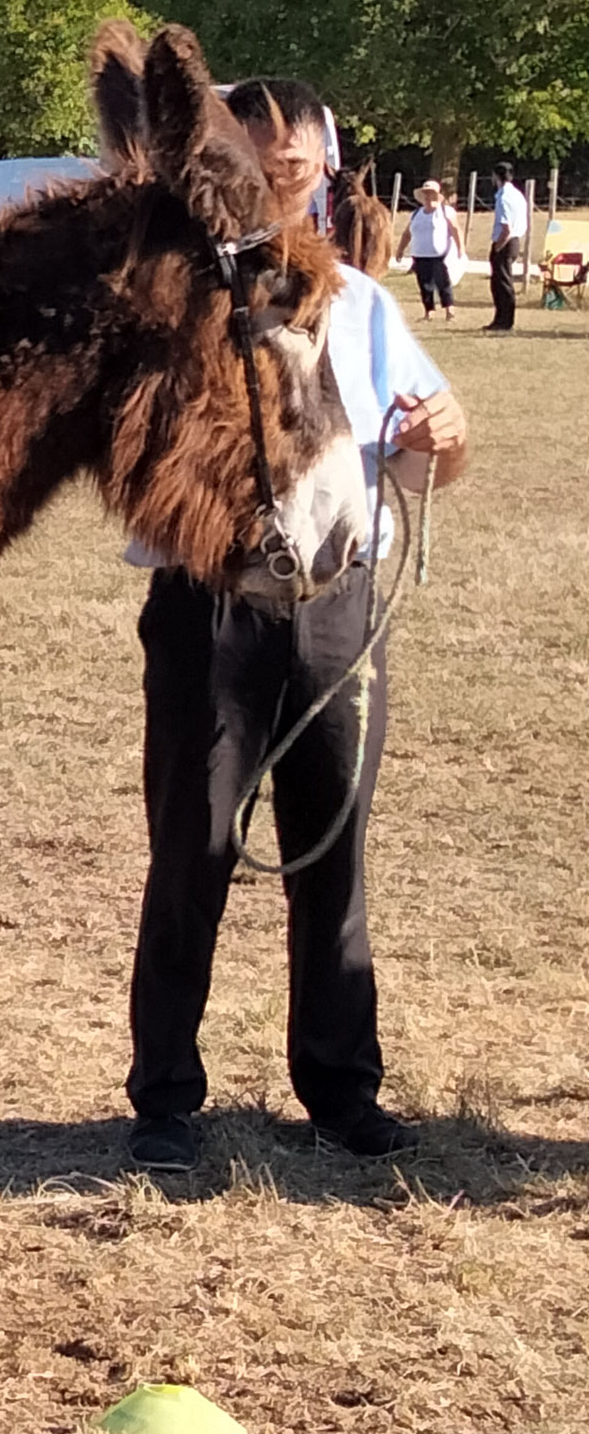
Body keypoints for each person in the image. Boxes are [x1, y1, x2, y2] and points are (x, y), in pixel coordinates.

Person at [126, 76, 470, 1174]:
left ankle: (340, 1088)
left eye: (298, 170)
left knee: (335, 857)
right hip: (210, 609)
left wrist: (447, 430)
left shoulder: (366, 309)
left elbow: (428, 458)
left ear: (326, 174)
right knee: (194, 851)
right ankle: (166, 1101)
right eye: (258, 170)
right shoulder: (173, 315)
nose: (280, 190)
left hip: (337, 615)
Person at [406, 179, 462, 323]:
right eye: (425, 193)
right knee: (425, 284)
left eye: (431, 193)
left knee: (443, 282)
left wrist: (460, 248)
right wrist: (400, 250)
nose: (428, 196)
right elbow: (408, 232)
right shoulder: (416, 214)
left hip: (439, 255)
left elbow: (455, 230)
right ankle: (429, 311)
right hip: (420, 254)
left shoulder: (445, 211)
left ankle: (450, 311)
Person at [485, 164, 528, 332]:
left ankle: (504, 321)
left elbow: (506, 227)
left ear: (496, 176)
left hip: (505, 242)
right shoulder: (517, 195)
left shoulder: (504, 197)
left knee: (502, 283)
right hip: (514, 240)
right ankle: (501, 319)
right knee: (501, 282)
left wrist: (498, 246)